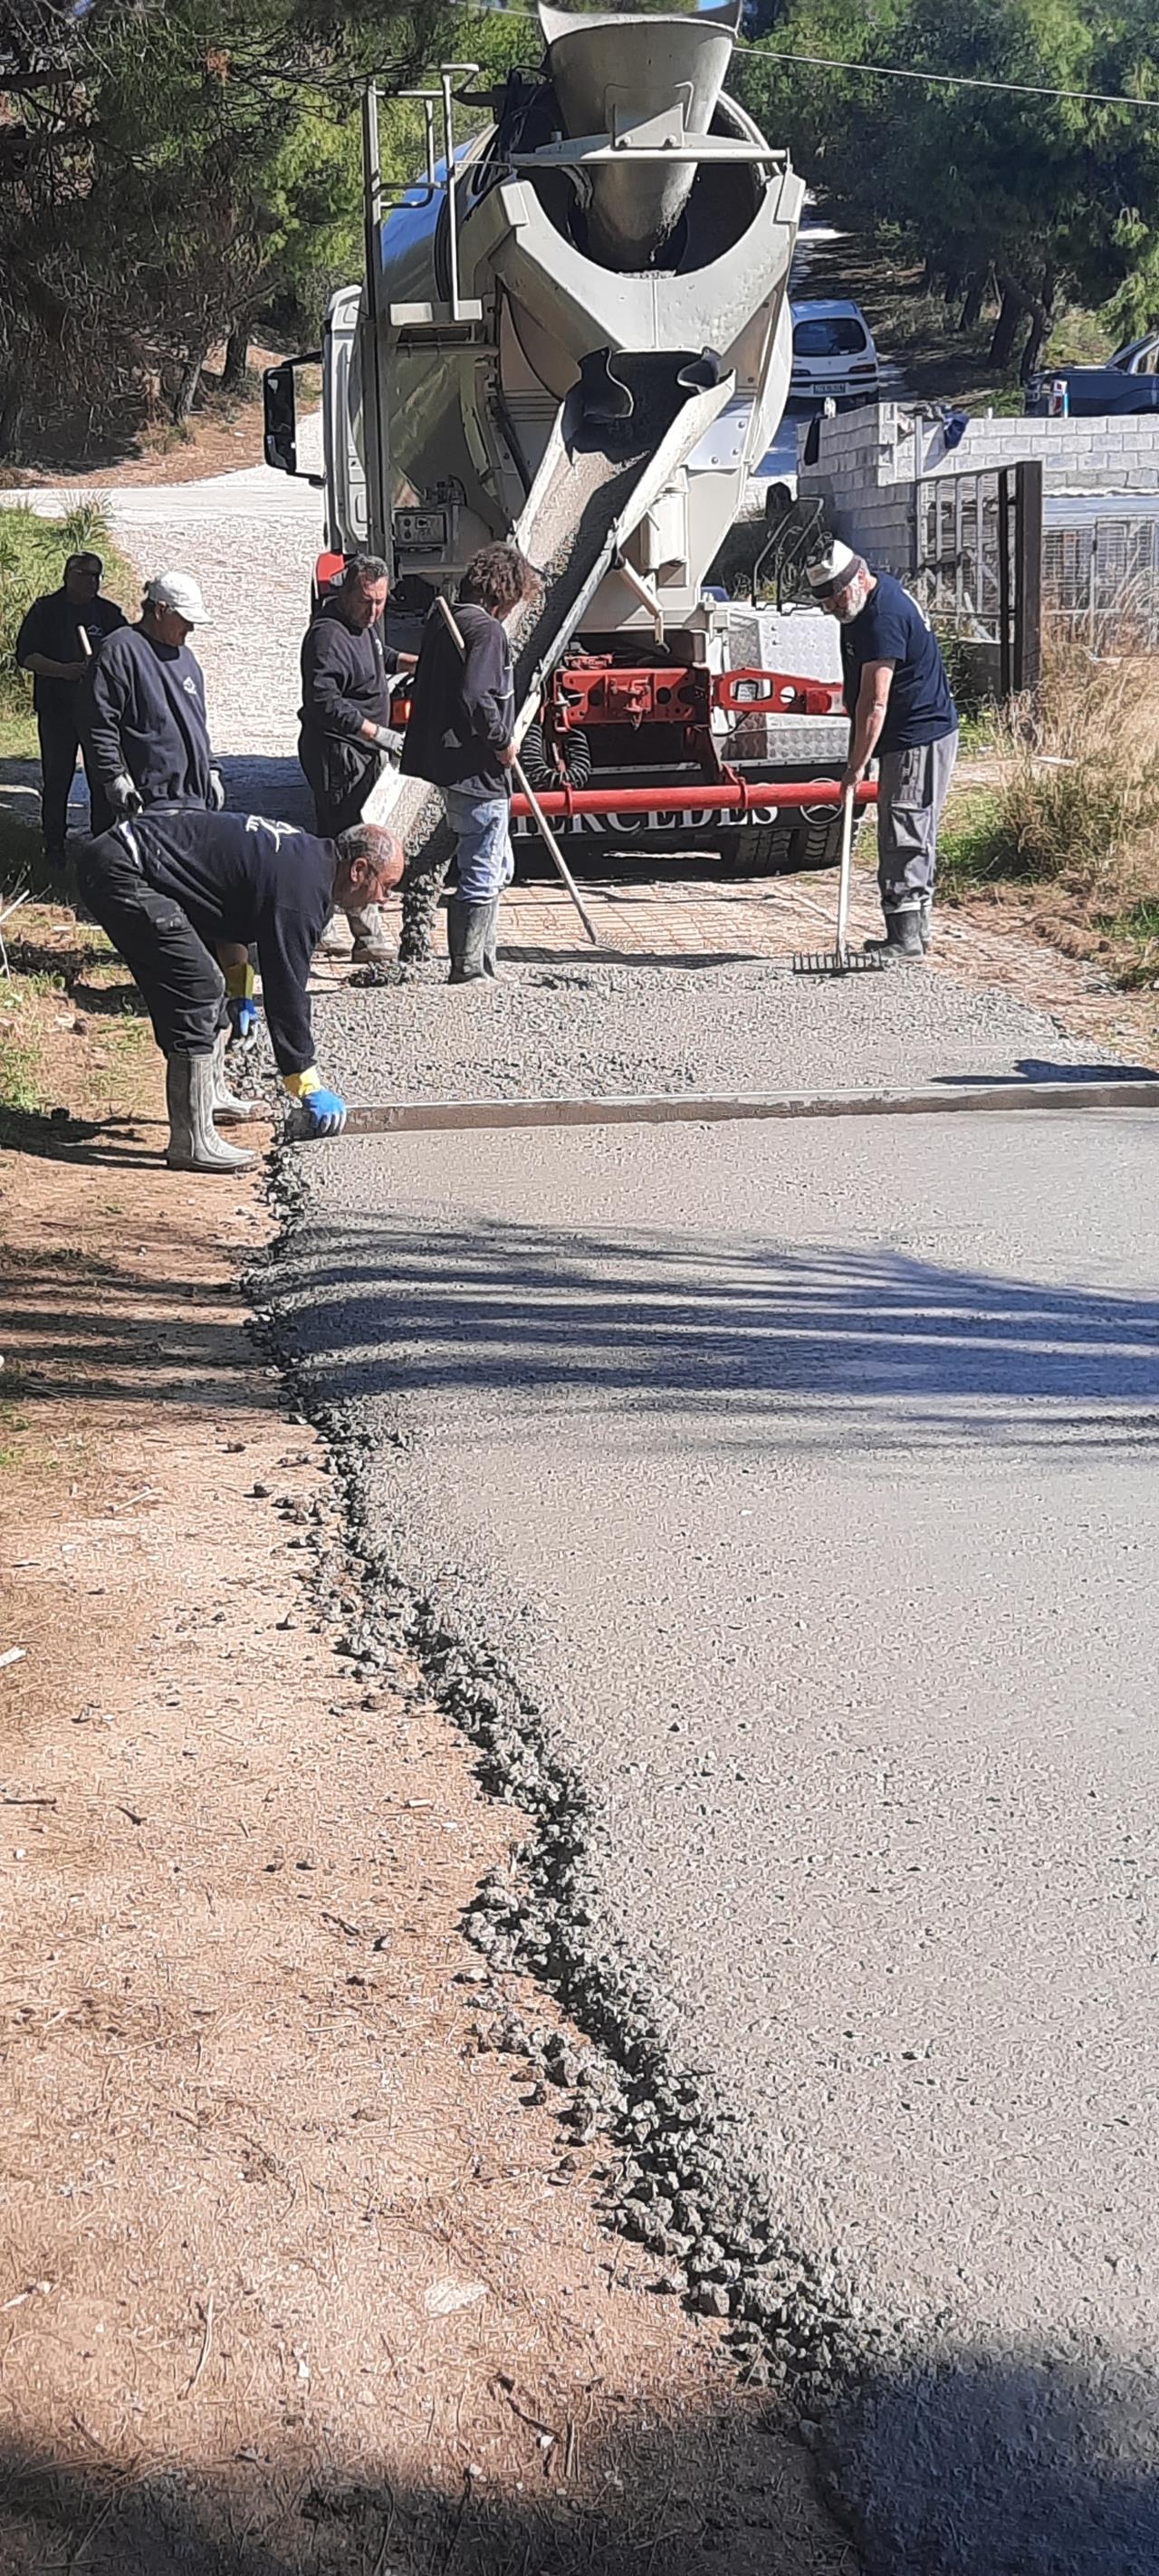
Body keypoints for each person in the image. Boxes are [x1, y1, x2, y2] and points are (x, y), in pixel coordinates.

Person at [76, 810, 403, 1174]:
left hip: (131, 861)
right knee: (198, 990)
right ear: (358, 870)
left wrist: (240, 991)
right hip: (123, 870)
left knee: (212, 983)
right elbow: (287, 990)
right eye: (386, 886)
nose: (385, 899)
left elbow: (228, 910)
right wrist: (304, 1080)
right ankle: (191, 1142)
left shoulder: (310, 863)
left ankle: (211, 1098)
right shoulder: (301, 891)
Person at [808, 539, 959, 963]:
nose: (830, 608)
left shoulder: (882, 617)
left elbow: (875, 703)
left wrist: (855, 768)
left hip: (918, 735)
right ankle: (915, 932)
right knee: (908, 826)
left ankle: (906, 937)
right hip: (909, 734)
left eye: (835, 597)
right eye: (823, 601)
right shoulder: (861, 605)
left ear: (858, 577)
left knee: (904, 828)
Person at [400, 542, 538, 984]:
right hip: (476, 768)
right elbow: (477, 696)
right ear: (505, 593)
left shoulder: (447, 622)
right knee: (483, 860)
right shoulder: (487, 632)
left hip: (449, 764)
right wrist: (501, 741)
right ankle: (469, 968)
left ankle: (484, 962)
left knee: (497, 864)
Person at [298, 554, 416, 966]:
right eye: (367, 601)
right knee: (349, 840)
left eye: (381, 602)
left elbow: (379, 657)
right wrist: (378, 733)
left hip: (361, 752)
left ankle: (318, 926)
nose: (374, 611)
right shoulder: (327, 636)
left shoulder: (364, 626)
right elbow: (324, 701)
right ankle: (365, 936)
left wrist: (416, 663)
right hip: (337, 753)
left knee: (338, 839)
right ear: (346, 591)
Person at [82, 570, 225, 821]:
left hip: (194, 800)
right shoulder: (119, 652)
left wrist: (211, 769)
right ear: (160, 610)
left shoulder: (187, 658)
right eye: (184, 619)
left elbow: (196, 723)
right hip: (149, 801)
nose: (191, 628)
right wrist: (114, 777)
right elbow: (98, 722)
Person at [16, 552, 127, 867]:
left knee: (103, 778)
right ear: (68, 575)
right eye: (85, 574)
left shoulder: (108, 614)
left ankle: (104, 848)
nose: (92, 581)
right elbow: (26, 656)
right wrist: (63, 670)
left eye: (96, 575)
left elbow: (128, 655)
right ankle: (53, 847)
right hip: (57, 710)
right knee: (57, 778)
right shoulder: (46, 611)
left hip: (99, 713)